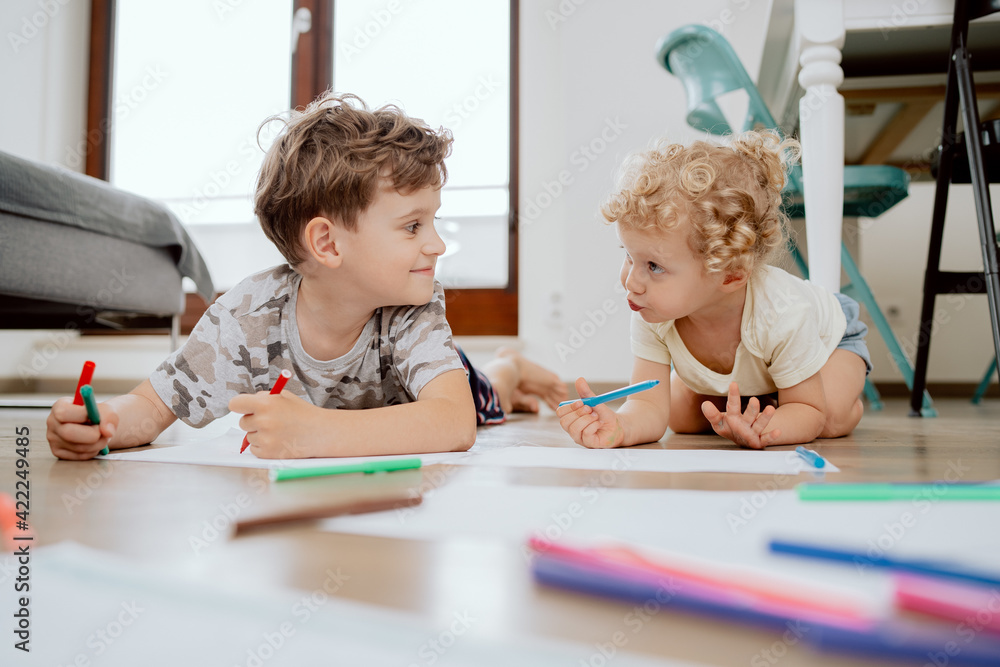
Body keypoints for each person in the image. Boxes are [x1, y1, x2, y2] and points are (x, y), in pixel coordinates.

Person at [47, 92, 566, 461]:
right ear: (327, 244)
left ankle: (507, 369)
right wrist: (104, 422)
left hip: (439, 382)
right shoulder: (244, 318)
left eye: (431, 221)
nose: (437, 244)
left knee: (485, 396)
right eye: (413, 226)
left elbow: (454, 423)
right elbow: (152, 403)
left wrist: (319, 433)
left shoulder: (417, 303)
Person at [558, 130, 871, 449]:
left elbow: (808, 409)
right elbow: (648, 406)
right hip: (758, 368)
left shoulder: (782, 314)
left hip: (829, 342)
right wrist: (620, 427)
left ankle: (805, 398)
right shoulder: (651, 308)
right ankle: (769, 393)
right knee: (680, 417)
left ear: (731, 276)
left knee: (826, 418)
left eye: (654, 266)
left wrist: (762, 431)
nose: (631, 282)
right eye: (628, 256)